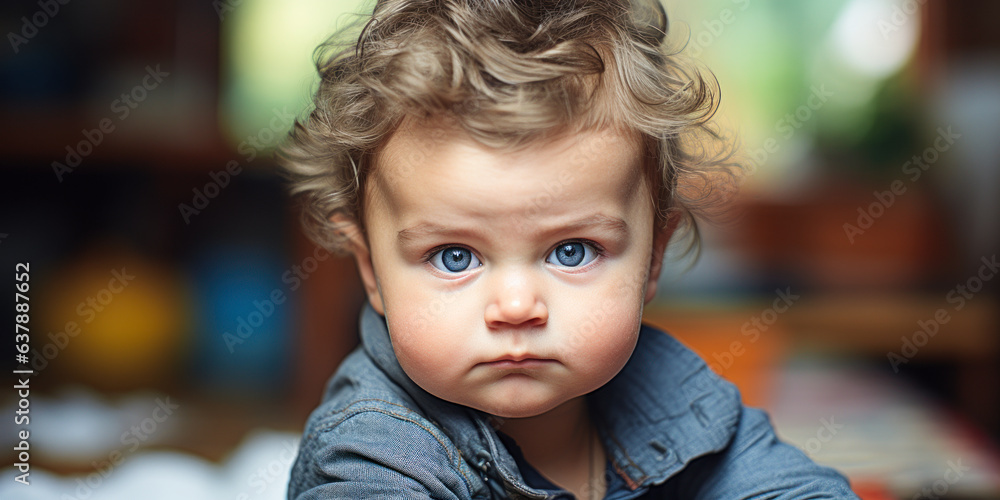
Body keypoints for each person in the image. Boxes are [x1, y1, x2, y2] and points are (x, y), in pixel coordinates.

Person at [280, 0, 858, 498]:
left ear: (653, 256)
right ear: (372, 271)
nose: (516, 306)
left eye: (572, 251)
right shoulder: (375, 452)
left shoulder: (667, 392)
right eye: (455, 256)